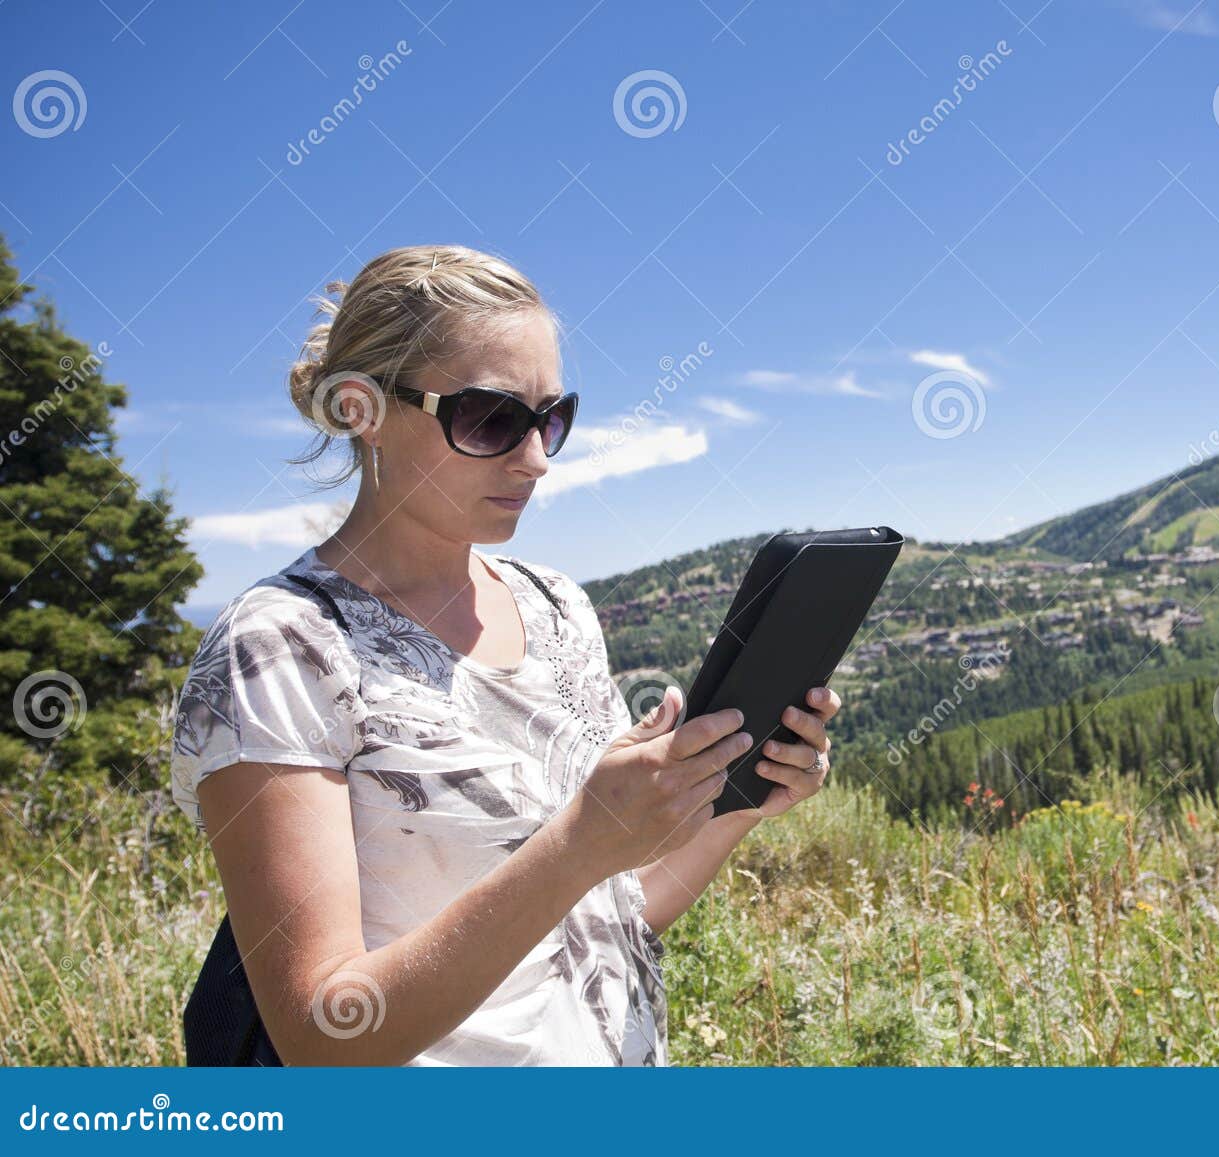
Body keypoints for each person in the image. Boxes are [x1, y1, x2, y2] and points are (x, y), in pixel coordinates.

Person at [168, 243, 841, 1065]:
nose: (537, 458)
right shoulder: (280, 648)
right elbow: (319, 1032)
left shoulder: (558, 608)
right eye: (491, 418)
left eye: (552, 417)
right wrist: (580, 844)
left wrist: (737, 802)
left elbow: (607, 922)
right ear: (361, 409)